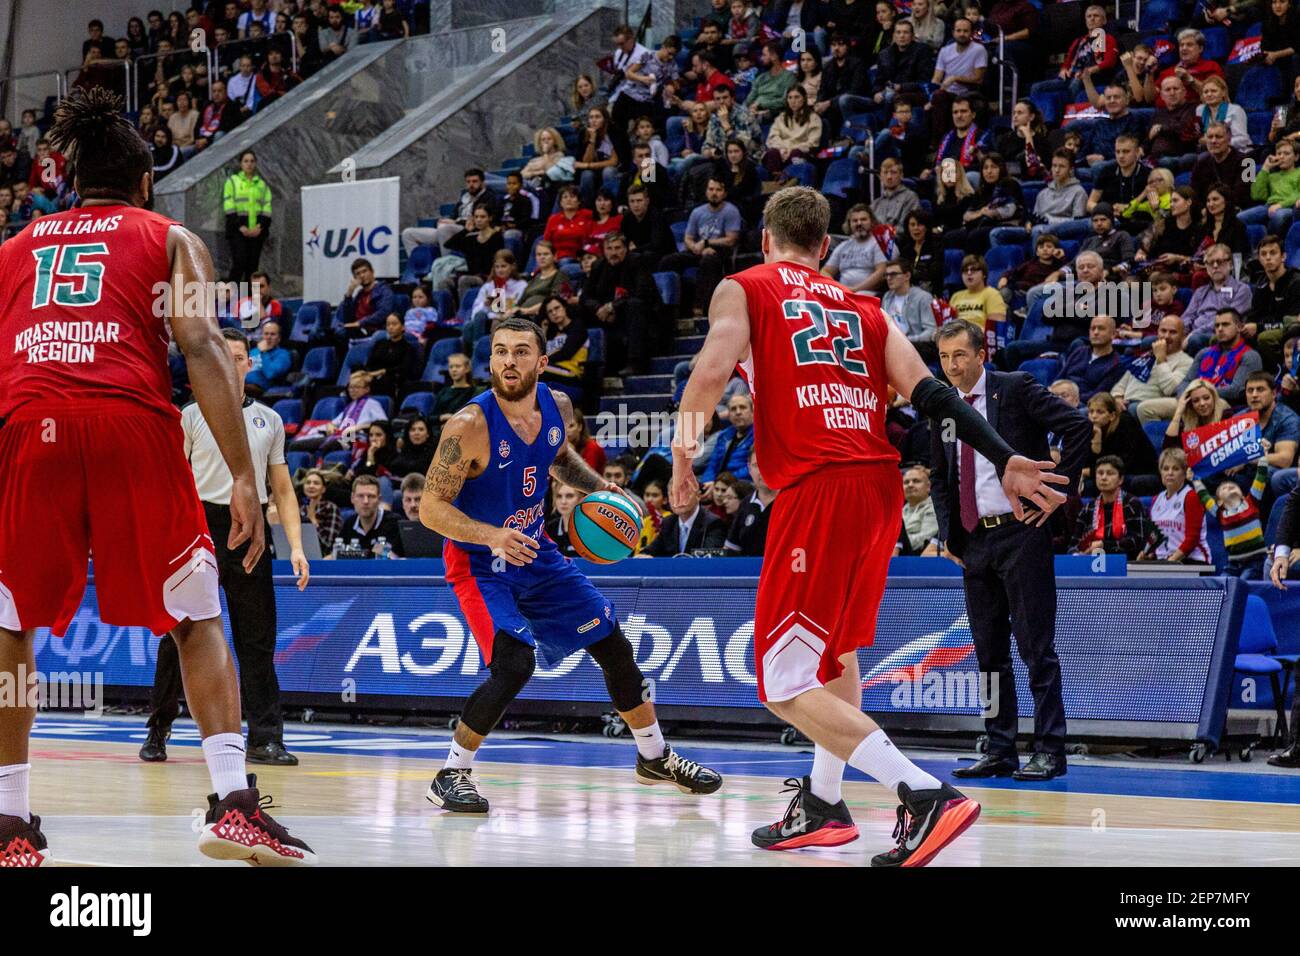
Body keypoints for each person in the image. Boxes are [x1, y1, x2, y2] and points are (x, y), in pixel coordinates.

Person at [671, 186, 1069, 863]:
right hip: (877, 490)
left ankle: (921, 793)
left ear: (767, 240)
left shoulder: (745, 287)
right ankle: (825, 805)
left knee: (783, 681)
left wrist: (682, 460)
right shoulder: (865, 309)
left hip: (818, 491)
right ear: (826, 248)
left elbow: (708, 375)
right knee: (836, 653)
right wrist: (1002, 456)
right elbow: (934, 395)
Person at [0, 88, 313, 866]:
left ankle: (9, 825)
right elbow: (202, 344)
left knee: (9, 625)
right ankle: (233, 802)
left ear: (70, 183)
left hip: (29, 427)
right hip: (129, 425)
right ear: (144, 184)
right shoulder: (168, 236)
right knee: (197, 615)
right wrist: (243, 473)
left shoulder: (12, 250)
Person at [419, 318, 723, 812]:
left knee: (612, 642)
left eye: (520, 352)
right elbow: (430, 509)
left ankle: (654, 756)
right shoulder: (468, 426)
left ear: (541, 362)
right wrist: (492, 535)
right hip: (481, 562)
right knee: (514, 664)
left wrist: (597, 486)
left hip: (536, 553)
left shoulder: (557, 407)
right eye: (499, 352)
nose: (508, 362)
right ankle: (451, 773)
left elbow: (556, 458)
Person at [142, 326, 310, 766]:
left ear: (248, 363)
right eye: (223, 357)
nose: (230, 365)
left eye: (238, 357)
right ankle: (158, 728)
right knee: (179, 633)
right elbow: (171, 483)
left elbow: (284, 490)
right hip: (197, 524)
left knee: (257, 639)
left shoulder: (269, 420)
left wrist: (295, 545)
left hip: (249, 527)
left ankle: (266, 737)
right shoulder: (191, 415)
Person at [1071, 455, 1153, 556]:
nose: (1104, 477)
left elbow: (1137, 542)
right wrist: (1077, 554)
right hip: (1089, 564)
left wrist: (1103, 546)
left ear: (1121, 479)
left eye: (1110, 473)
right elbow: (1074, 544)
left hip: (1126, 565)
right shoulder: (1088, 508)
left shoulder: (1132, 504)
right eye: (1100, 473)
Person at [223, 149, 271, 284]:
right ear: (240, 164)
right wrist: (240, 226)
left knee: (253, 267)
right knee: (239, 262)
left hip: (257, 231)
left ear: (255, 164)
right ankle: (231, 299)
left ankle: (252, 300)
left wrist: (259, 227)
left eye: (252, 161)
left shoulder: (262, 185)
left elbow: (266, 209)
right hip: (237, 230)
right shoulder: (232, 182)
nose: (249, 164)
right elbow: (229, 206)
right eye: (246, 161)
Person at [881, 260, 937, 362]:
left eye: (893, 274)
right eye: (886, 275)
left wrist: (907, 340)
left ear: (907, 276)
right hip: (892, 344)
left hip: (915, 345)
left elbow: (931, 331)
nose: (889, 278)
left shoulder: (923, 297)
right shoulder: (887, 297)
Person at [723, 447, 774, 556]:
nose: (762, 470)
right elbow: (731, 548)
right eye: (756, 465)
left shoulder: (790, 501)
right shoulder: (745, 504)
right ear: (749, 469)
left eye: (768, 463)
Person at [895, 464, 939, 556]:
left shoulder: (935, 507)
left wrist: (891, 545)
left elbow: (925, 538)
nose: (910, 485)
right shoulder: (899, 511)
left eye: (916, 481)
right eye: (906, 482)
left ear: (929, 487)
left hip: (919, 558)